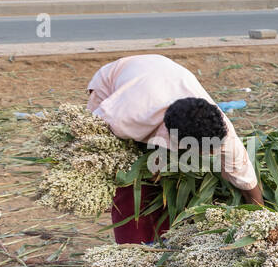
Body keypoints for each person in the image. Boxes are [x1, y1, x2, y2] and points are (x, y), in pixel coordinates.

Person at [87, 54, 265, 243]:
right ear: (177, 139)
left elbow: (243, 174)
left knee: (164, 176)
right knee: (129, 181)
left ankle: (164, 234)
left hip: (165, 72)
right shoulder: (119, 119)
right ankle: (133, 243)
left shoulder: (220, 128)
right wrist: (100, 188)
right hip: (117, 80)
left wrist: (260, 215)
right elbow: (91, 142)